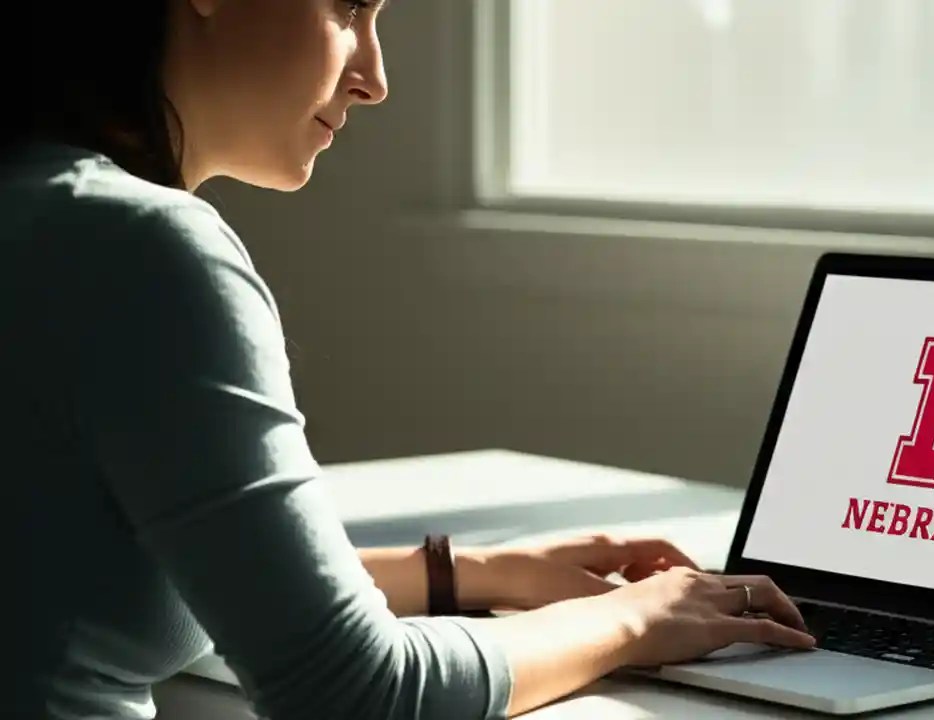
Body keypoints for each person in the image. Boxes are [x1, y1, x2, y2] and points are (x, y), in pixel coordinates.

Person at [0, 2, 815, 719]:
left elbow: (180, 565)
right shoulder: (143, 252)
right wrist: (638, 617)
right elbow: (356, 691)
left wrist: (475, 572)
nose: (375, 79)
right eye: (350, 7)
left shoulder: (42, 209)